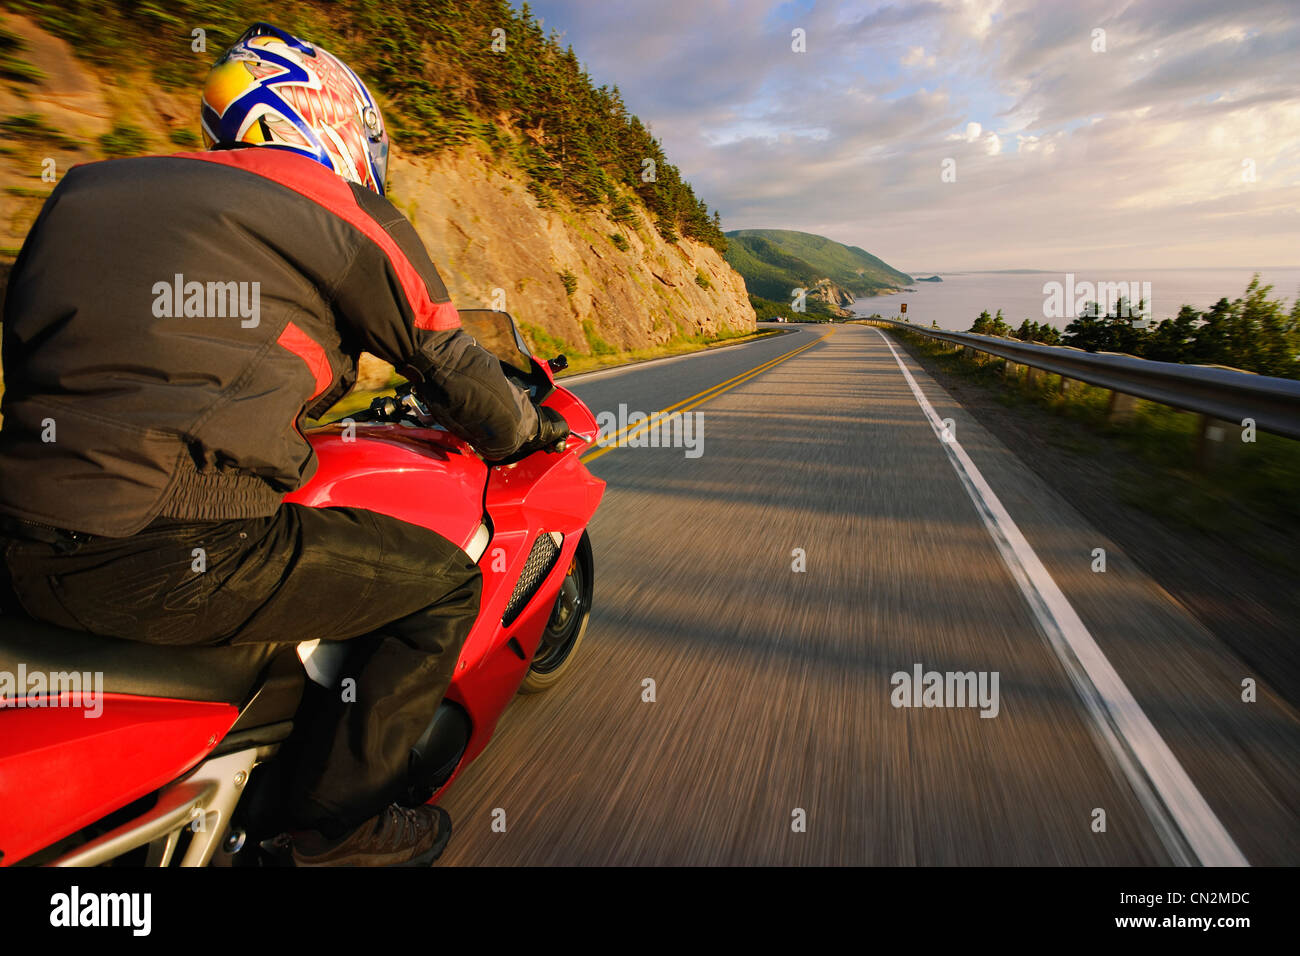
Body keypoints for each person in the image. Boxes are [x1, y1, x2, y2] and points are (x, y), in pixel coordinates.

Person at [0, 22, 567, 866]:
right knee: (440, 588)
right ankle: (344, 831)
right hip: (169, 546)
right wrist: (528, 424)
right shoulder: (337, 210)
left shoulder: (83, 191)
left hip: (19, 528)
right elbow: (445, 357)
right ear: (330, 117)